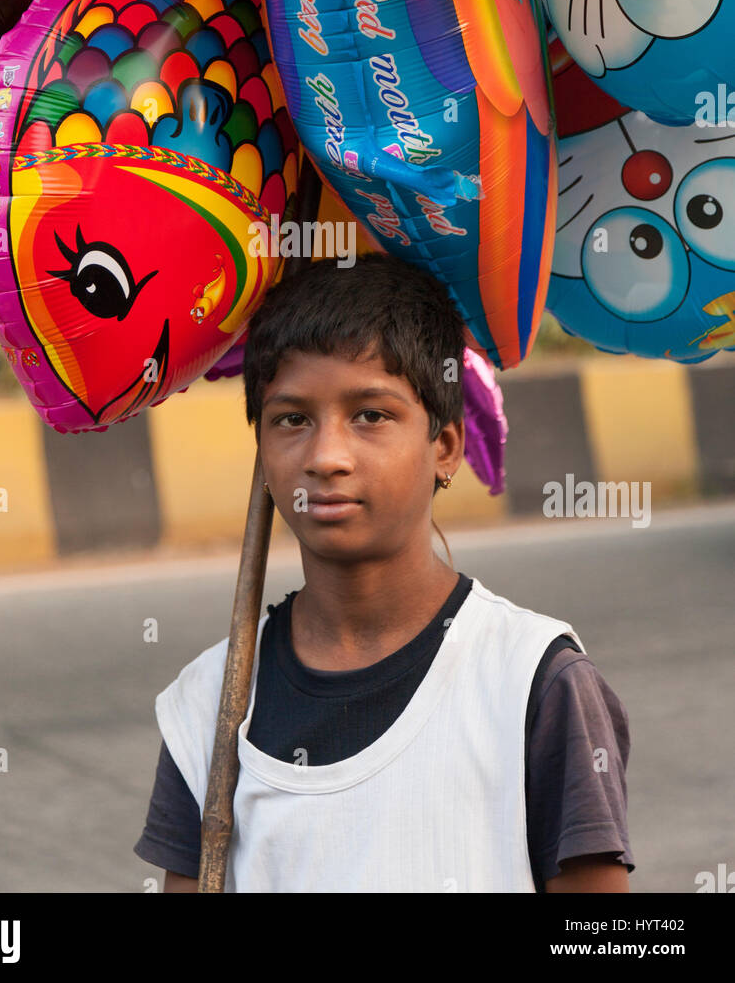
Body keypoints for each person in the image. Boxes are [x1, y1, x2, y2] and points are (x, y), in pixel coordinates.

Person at [134, 252, 633, 892]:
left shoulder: (534, 681)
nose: (326, 457)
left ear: (445, 447)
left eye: (371, 415)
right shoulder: (210, 703)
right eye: (291, 419)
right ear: (262, 452)